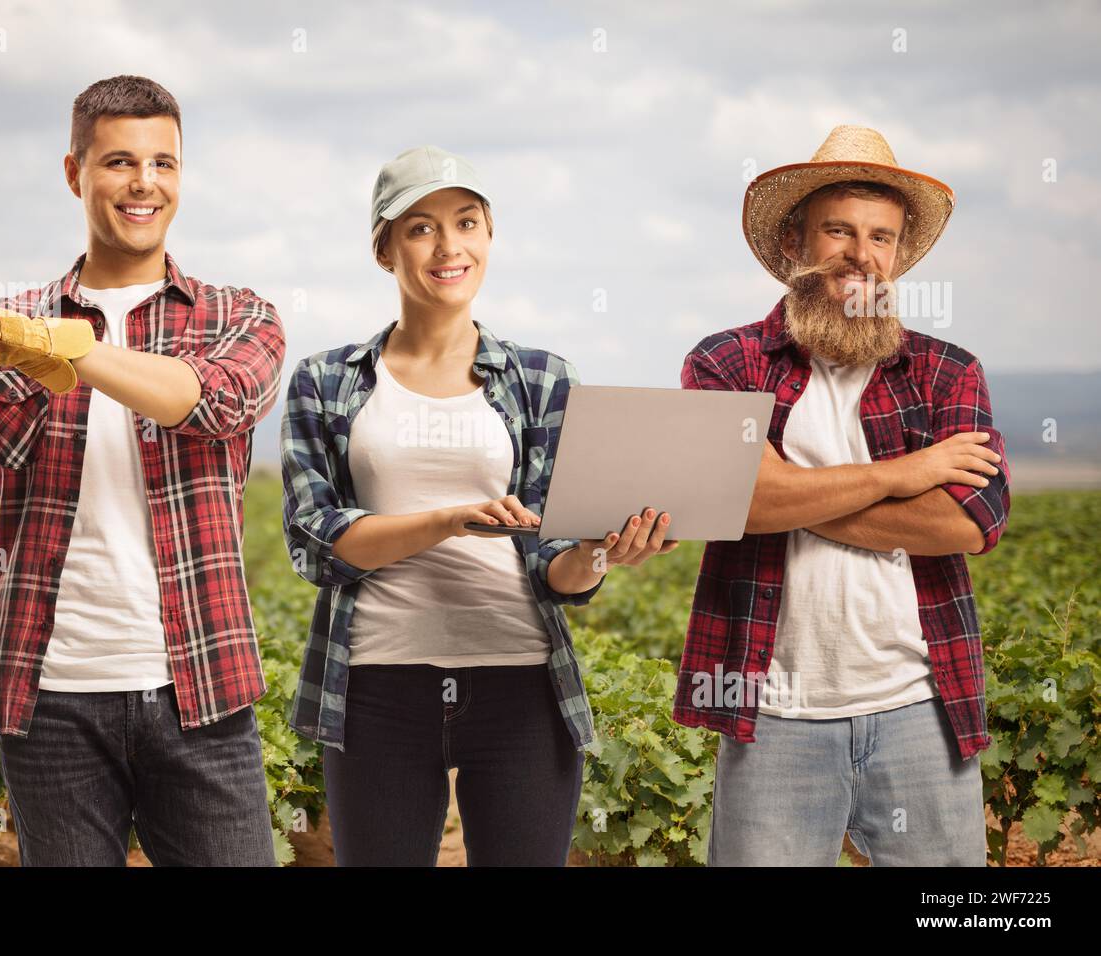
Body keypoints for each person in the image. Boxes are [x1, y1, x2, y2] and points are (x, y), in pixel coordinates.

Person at [0, 75, 285, 866]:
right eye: (120, 162)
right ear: (75, 173)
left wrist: (68, 348)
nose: (144, 184)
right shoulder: (6, 331)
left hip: (200, 689)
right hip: (51, 698)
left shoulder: (238, 316)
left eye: (164, 163)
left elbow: (213, 402)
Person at [280, 145, 679, 866]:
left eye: (467, 223)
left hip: (521, 685)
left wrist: (596, 554)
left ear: (489, 238)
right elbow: (319, 543)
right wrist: (446, 521)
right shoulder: (326, 381)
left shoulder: (543, 379)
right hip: (376, 683)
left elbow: (558, 564)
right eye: (421, 228)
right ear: (384, 248)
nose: (449, 245)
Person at [672, 125, 1011, 866]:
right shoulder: (726, 362)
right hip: (770, 712)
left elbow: (967, 522)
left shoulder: (947, 370)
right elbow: (744, 504)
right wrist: (903, 473)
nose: (863, 255)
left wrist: (791, 492)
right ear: (795, 241)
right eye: (839, 230)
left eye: (882, 238)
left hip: (921, 706)